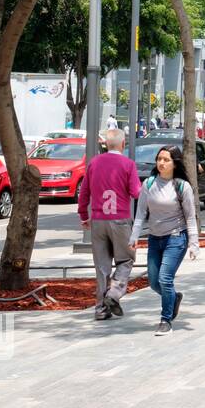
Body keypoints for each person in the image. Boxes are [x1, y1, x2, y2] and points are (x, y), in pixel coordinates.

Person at [128, 145, 199, 336]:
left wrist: (194, 244)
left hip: (176, 238)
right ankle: (174, 298)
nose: (161, 163)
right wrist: (134, 236)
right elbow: (141, 213)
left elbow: (191, 217)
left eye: (166, 160)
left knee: (165, 279)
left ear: (175, 163)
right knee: (153, 282)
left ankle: (165, 319)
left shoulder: (182, 187)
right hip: (154, 239)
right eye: (159, 159)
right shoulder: (149, 184)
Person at [78, 128, 141, 322]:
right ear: (123, 144)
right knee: (126, 259)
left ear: (106, 144)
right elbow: (136, 192)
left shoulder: (94, 163)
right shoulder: (128, 164)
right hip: (120, 220)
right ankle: (113, 294)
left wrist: (83, 215)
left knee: (102, 266)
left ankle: (100, 309)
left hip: (98, 220)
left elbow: (84, 192)